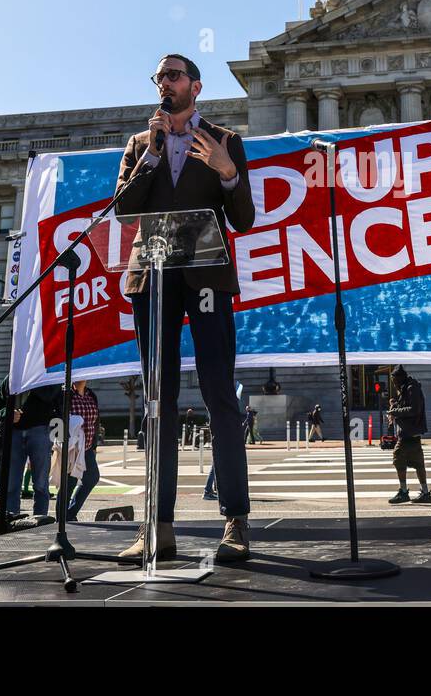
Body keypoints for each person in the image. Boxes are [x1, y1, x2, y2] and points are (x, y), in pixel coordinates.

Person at [115, 53, 257, 565]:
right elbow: (125, 211)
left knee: (220, 394)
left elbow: (243, 219)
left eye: (173, 76)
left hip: (206, 276)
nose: (164, 84)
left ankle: (235, 521)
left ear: (195, 86)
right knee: (159, 401)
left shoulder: (225, 141)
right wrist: (151, 157)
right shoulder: (138, 145)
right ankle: (159, 525)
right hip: (153, 276)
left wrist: (226, 173)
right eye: (158, 77)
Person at [0, 376, 61, 518]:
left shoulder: (47, 377)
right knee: (11, 484)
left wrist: (59, 435)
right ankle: (11, 520)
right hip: (15, 432)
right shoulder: (12, 377)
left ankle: (39, 521)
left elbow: (55, 399)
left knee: (40, 483)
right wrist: (8, 413)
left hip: (40, 429)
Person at [382, 365, 431, 504]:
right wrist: (395, 403)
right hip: (412, 432)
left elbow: (413, 409)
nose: (394, 384)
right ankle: (425, 493)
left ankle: (404, 492)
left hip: (409, 432)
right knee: (418, 463)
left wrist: (394, 412)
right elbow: (407, 405)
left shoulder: (411, 388)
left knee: (398, 458)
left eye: (394, 381)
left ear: (400, 378)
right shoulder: (407, 388)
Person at [66, 380, 101, 521]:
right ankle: (61, 517)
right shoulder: (66, 395)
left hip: (87, 447)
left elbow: (96, 421)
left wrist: (94, 445)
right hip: (72, 448)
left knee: (92, 478)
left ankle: (70, 512)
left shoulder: (90, 394)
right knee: (69, 483)